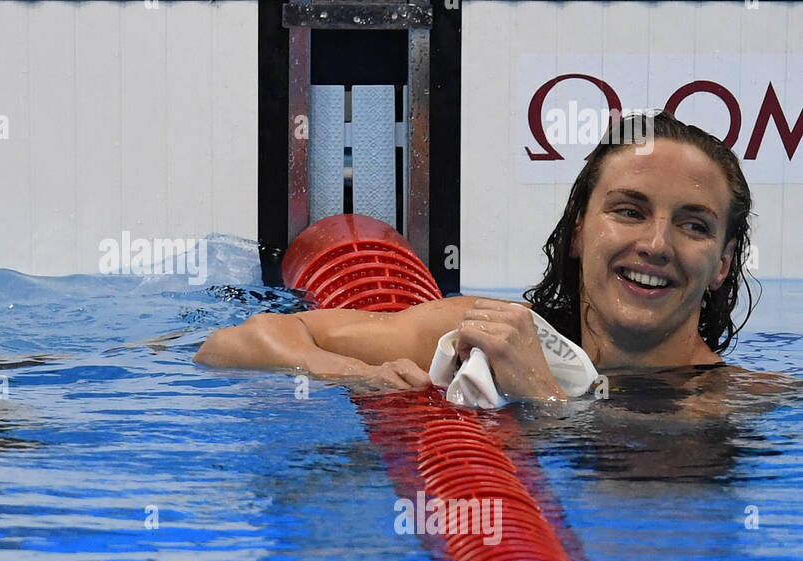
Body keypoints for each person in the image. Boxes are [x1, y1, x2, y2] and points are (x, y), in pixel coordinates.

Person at [195, 111, 756, 401]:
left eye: (692, 225)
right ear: (579, 232)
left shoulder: (736, 407)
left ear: (724, 263)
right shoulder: (493, 334)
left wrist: (544, 397)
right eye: (629, 211)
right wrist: (351, 373)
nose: (656, 245)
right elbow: (233, 343)